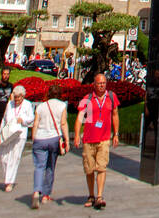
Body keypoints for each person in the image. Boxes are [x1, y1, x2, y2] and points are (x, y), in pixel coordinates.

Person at [73, 72, 119, 210]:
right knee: (89, 169)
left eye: (104, 83)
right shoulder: (87, 98)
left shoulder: (111, 97)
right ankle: (91, 195)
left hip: (104, 139)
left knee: (102, 167)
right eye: (99, 83)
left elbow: (115, 115)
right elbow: (80, 116)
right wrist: (76, 135)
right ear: (94, 84)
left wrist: (116, 133)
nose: (102, 85)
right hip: (89, 138)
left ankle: (99, 196)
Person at [31, 83, 69, 208]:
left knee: (39, 166)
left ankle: (36, 191)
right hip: (54, 138)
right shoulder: (62, 106)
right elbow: (63, 124)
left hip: (40, 138)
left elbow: (35, 123)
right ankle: (46, 195)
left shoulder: (41, 107)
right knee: (50, 167)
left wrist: (33, 137)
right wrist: (67, 140)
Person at [0, 84, 35, 191]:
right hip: (8, 133)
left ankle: (9, 182)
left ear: (23, 96)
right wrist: (0, 130)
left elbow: (31, 118)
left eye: (19, 97)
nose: (17, 99)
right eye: (15, 96)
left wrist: (23, 120)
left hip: (20, 134)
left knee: (14, 157)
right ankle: (7, 178)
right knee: (4, 156)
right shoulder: (10, 104)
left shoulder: (27, 104)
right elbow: (4, 119)